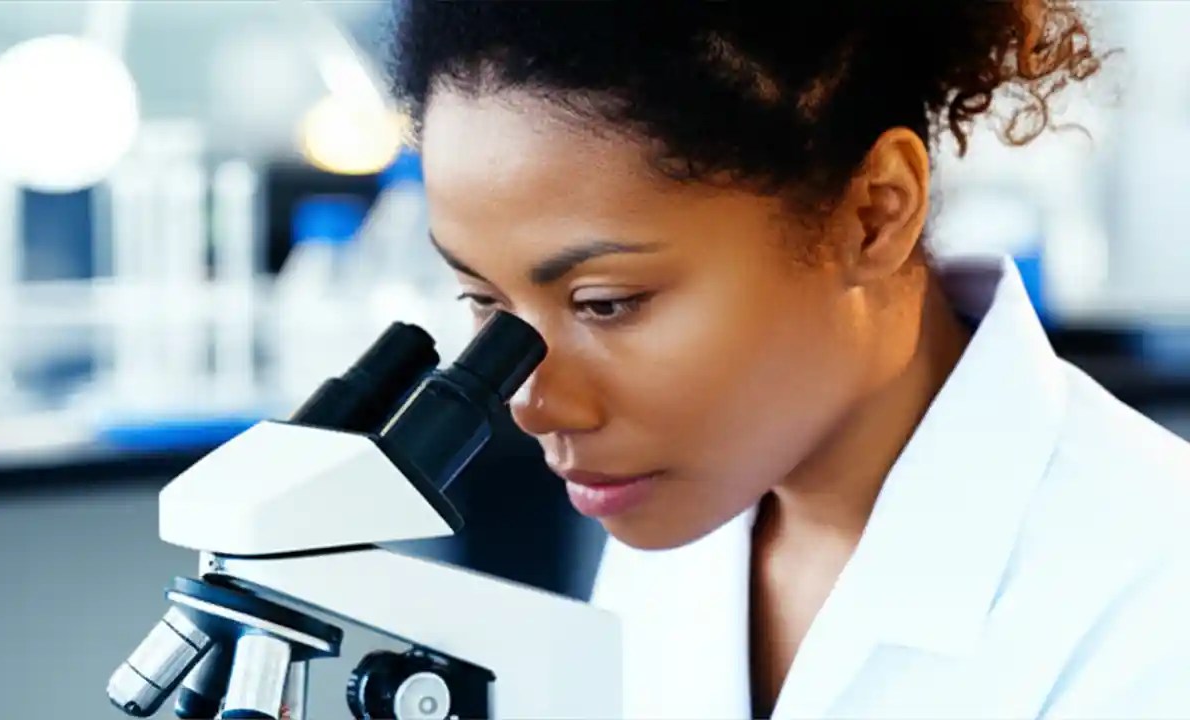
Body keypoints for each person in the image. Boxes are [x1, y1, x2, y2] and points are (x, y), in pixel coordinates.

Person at [388, 2, 1190, 718]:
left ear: (873, 215)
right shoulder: (688, 519)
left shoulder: (1153, 599)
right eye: (486, 303)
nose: (531, 402)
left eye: (607, 304)